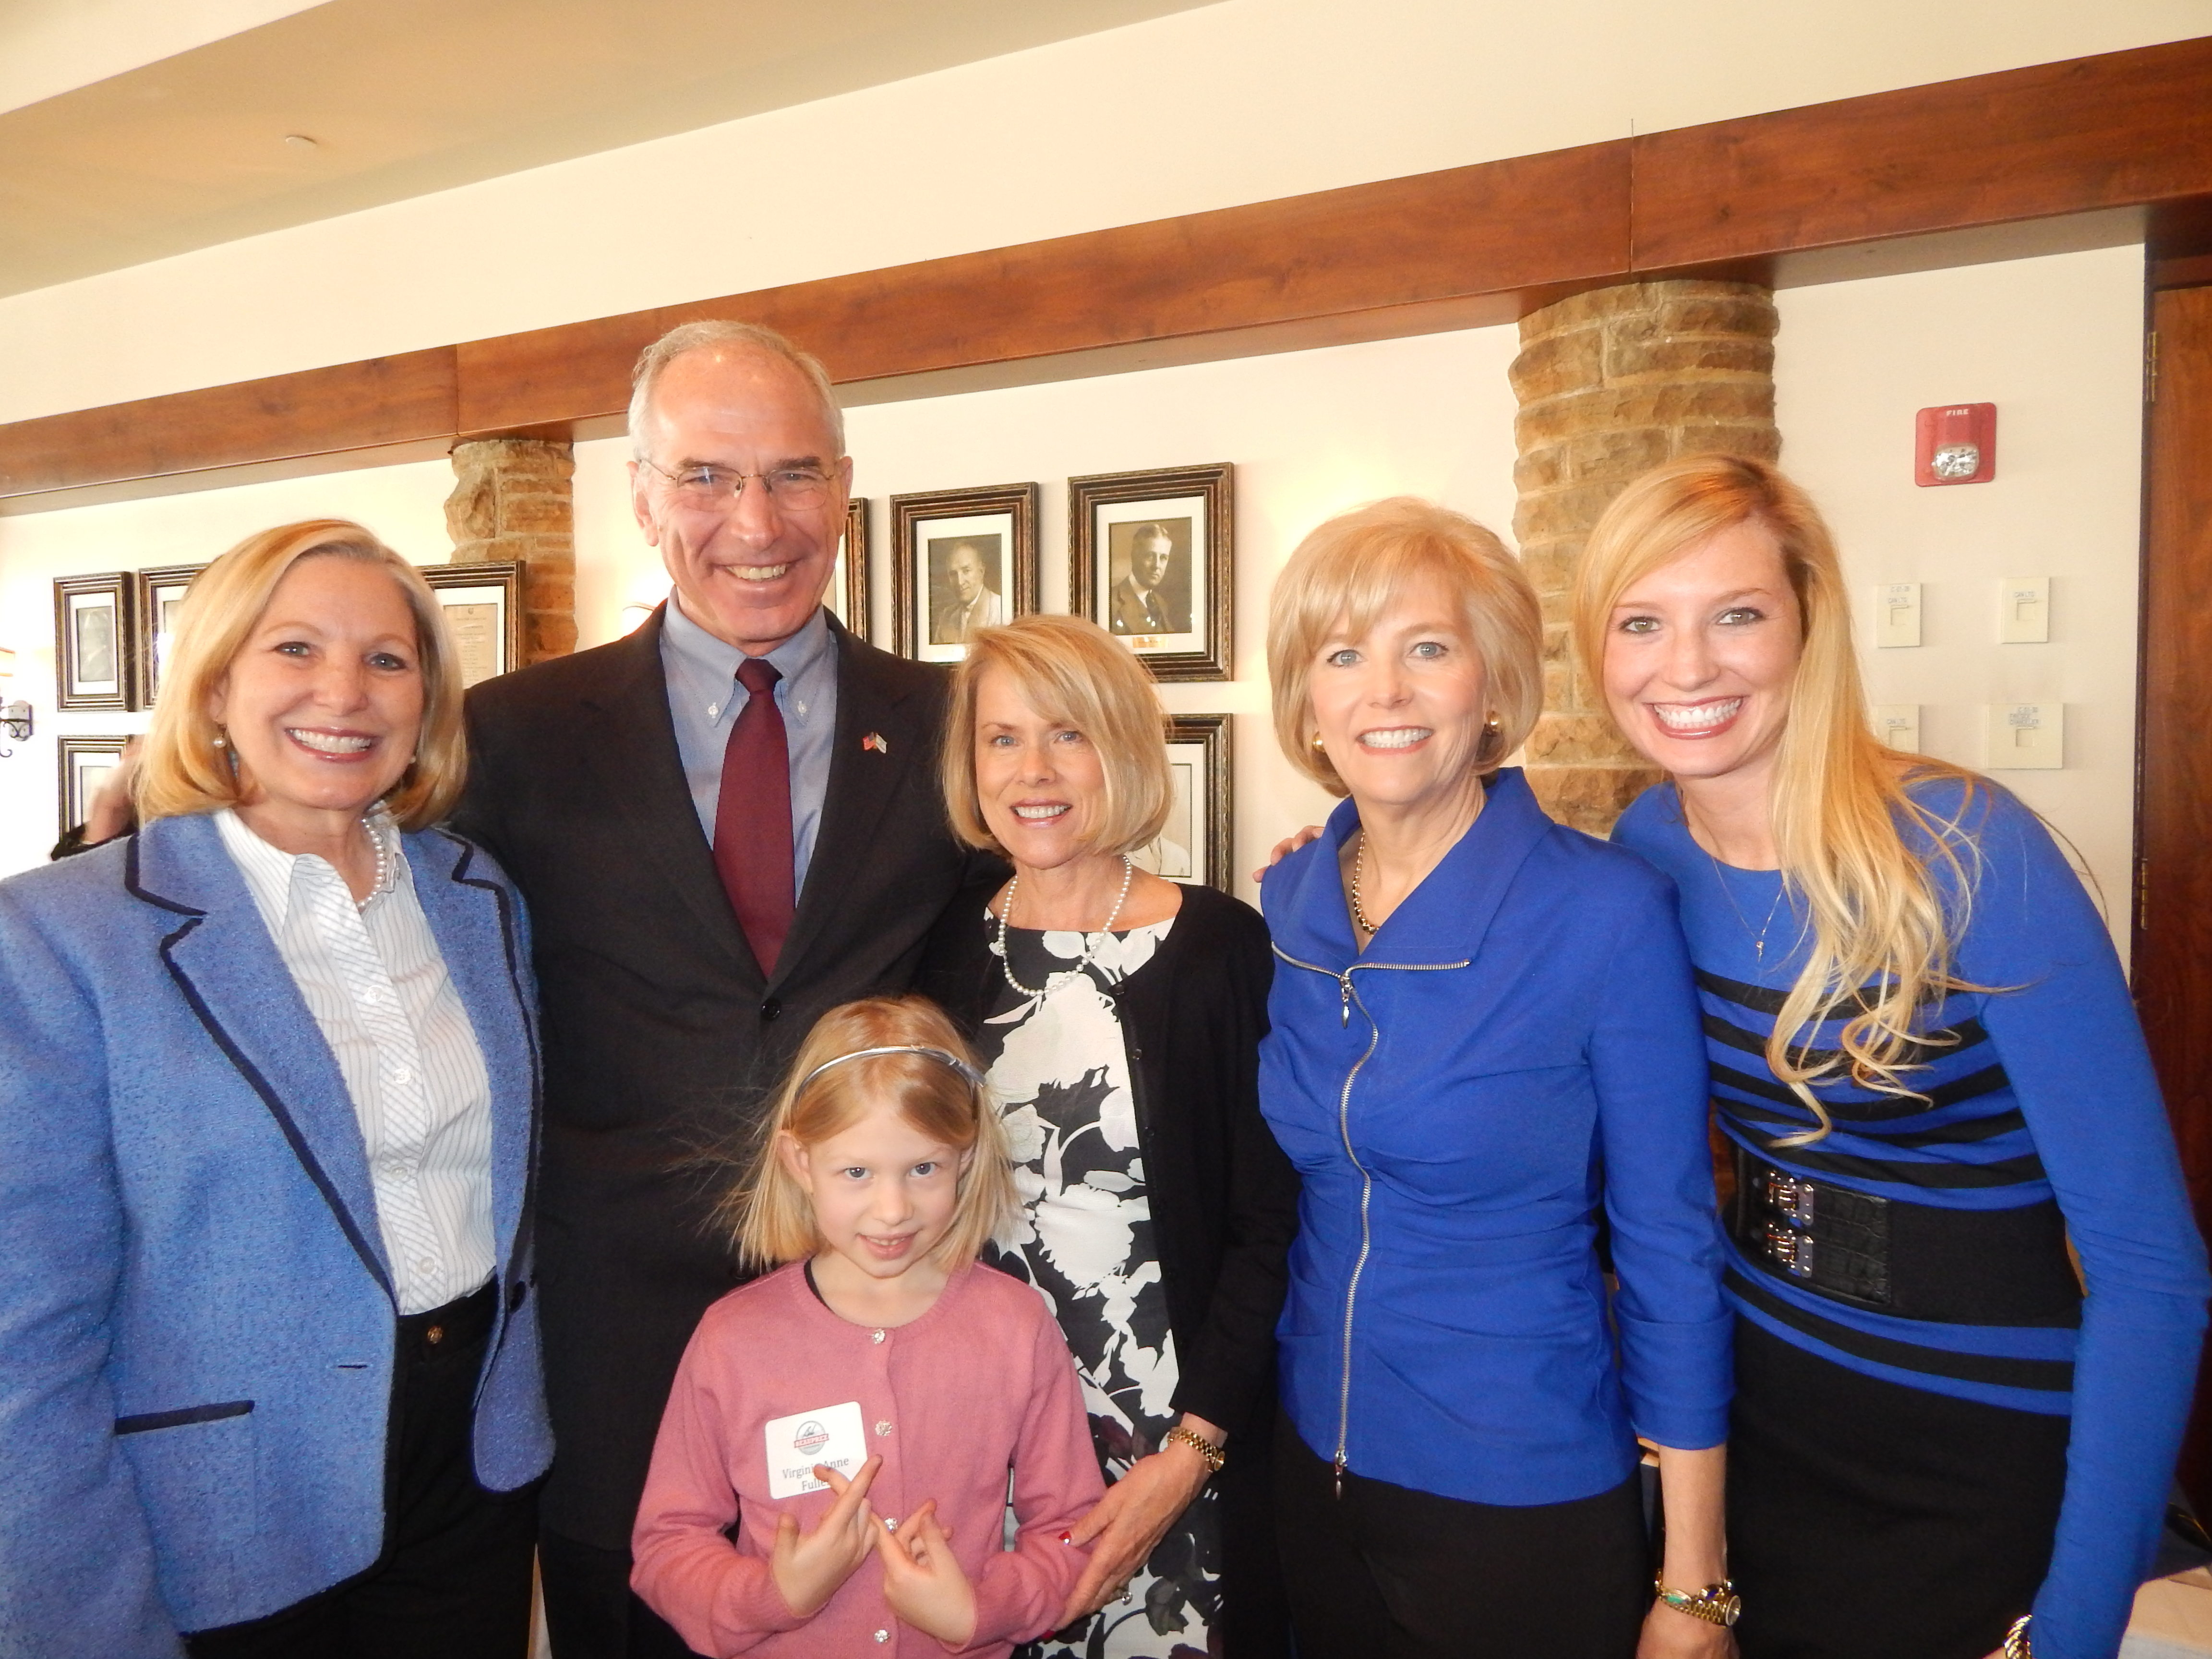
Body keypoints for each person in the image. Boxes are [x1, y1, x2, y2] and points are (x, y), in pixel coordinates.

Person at [1575, 454, 2211, 1659]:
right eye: (1641, 622)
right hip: (1761, 1428)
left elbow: (2150, 1269)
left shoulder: (1971, 851)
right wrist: (1372, 854)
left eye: (1737, 615)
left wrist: (2072, 1626)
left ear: (1809, 626)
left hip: (1975, 1452)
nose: (1687, 665)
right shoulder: (1644, 843)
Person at [451, 319, 1004, 1657]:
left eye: (795, 474)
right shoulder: (512, 737)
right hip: (615, 1357)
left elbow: (1044, 903)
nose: (755, 519)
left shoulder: (947, 726)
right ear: (641, 495)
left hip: (879, 1325)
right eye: (705, 477)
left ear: (848, 491)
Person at [0, 520, 549, 1657]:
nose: (343, 691)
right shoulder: (64, 935)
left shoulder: (477, 894)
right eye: (294, 648)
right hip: (225, 1498)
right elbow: (26, 1331)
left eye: (386, 659)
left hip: (472, 1465)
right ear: (214, 684)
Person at [1258, 498, 1735, 1659]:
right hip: (1302, 1463)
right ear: (1308, 705)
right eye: (1343, 654)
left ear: (1492, 684)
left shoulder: (1606, 912)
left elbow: (1671, 1244)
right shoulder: (1288, 902)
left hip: (1511, 1487)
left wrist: (1693, 1582)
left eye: (1427, 646)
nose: (1386, 691)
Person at [922, 613, 1298, 1657]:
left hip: (1173, 1451)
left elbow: (1271, 1229)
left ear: (1124, 751)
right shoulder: (944, 947)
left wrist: (1190, 1455)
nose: (1033, 771)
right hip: (977, 1439)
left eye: (1068, 735)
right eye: (1002, 738)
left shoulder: (1221, 949)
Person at [630, 996, 1102, 1656]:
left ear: (964, 1158)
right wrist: (775, 1596)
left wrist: (979, 1610)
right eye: (857, 1172)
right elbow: (667, 1547)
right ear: (801, 1163)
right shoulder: (732, 1338)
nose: (892, 1210)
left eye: (924, 1169)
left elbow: (1074, 1529)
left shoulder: (1015, 1326)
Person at [1108, 524, 1187, 636]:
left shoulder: (1160, 603)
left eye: (1163, 558)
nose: (1157, 566)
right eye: (1150, 556)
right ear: (1134, 556)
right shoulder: (1112, 604)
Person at [937, 541, 1005, 643]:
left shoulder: (1001, 609)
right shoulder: (947, 616)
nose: (960, 582)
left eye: (966, 571)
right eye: (953, 574)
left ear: (981, 571)